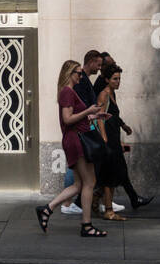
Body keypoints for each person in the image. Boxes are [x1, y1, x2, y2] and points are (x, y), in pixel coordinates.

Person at [36, 60, 110, 238]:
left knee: (79, 185)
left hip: (76, 139)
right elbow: (68, 119)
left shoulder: (68, 92)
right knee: (89, 183)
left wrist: (95, 115)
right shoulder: (68, 92)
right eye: (79, 73)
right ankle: (86, 225)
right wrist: (87, 112)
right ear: (69, 73)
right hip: (77, 141)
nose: (81, 76)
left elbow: (75, 117)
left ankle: (47, 209)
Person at [93, 63, 153, 217]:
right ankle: (108, 211)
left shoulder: (112, 93)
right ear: (107, 79)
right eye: (114, 79)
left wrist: (123, 125)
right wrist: (105, 138)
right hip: (109, 141)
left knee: (117, 173)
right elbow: (99, 117)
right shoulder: (104, 94)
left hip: (114, 139)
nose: (118, 82)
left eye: (119, 79)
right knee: (109, 176)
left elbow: (113, 115)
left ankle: (96, 200)